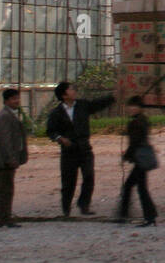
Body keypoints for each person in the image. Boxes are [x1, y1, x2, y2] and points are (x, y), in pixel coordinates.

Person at [45, 81, 116, 218]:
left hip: (84, 148)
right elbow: (51, 131)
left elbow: (97, 105)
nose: (74, 91)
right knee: (68, 181)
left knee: (89, 177)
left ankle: (84, 205)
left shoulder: (82, 106)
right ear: (64, 95)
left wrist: (113, 97)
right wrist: (60, 138)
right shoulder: (56, 113)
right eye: (71, 89)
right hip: (68, 151)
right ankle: (66, 209)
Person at [115, 95, 158, 227]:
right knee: (134, 187)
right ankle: (128, 214)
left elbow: (135, 143)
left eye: (134, 106)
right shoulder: (143, 120)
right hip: (142, 159)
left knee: (138, 188)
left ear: (139, 108)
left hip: (140, 159)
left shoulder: (135, 122)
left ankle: (147, 217)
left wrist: (125, 157)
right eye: (131, 106)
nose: (131, 109)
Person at [0, 88, 28, 228]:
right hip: (4, 160)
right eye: (14, 99)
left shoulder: (9, 114)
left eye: (18, 98)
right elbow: (5, 140)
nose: (17, 101)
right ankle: (3, 219)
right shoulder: (5, 116)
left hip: (5, 159)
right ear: (6, 101)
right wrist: (11, 158)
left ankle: (3, 218)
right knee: (5, 190)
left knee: (6, 190)